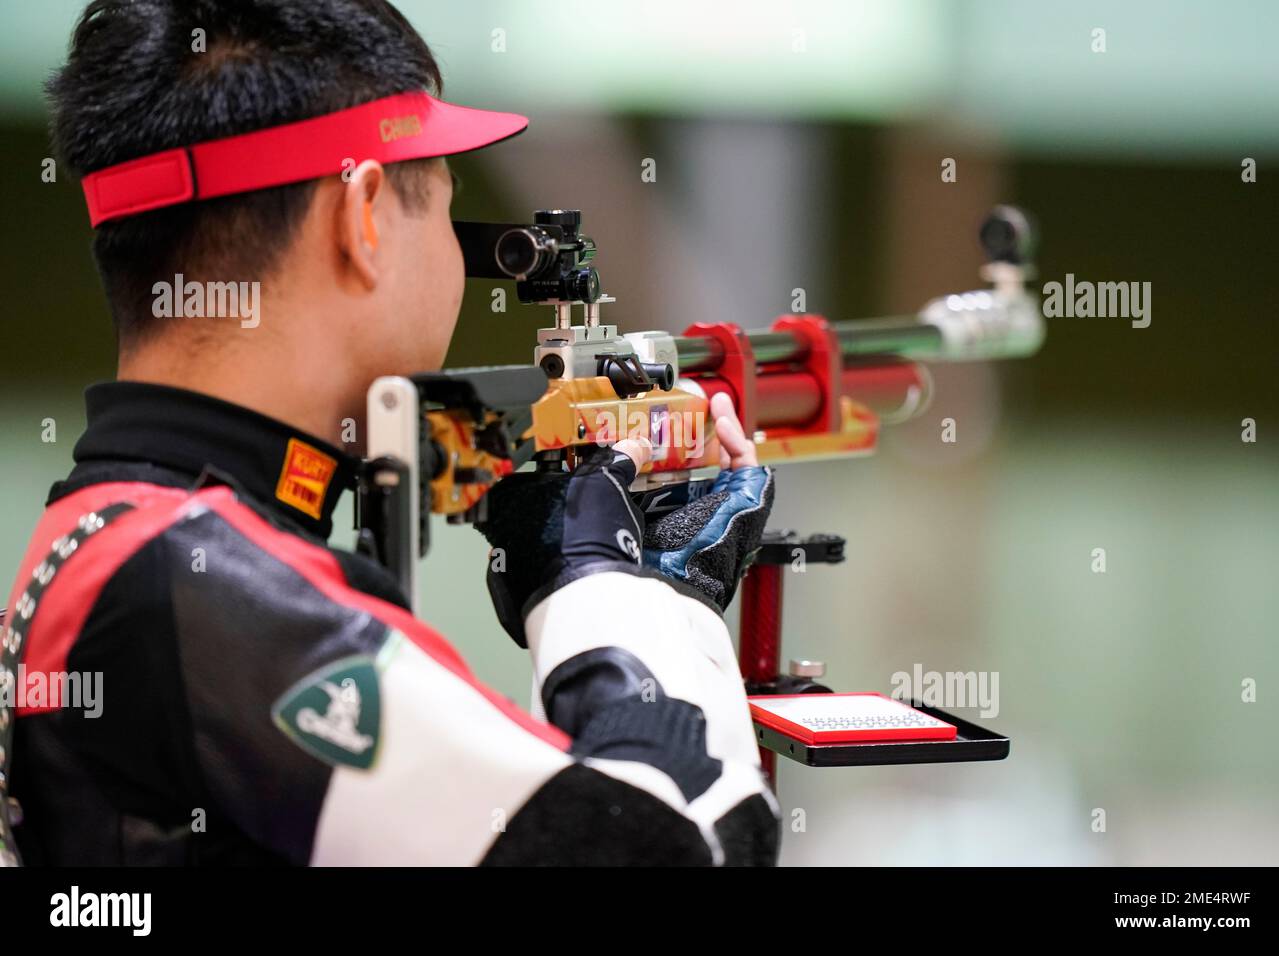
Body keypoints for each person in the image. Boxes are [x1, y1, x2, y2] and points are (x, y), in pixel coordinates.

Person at [0, 0, 778, 865]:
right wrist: (620, 589)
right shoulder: (189, 586)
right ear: (362, 216)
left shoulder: (116, 540)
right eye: (445, 215)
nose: (457, 259)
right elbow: (686, 848)